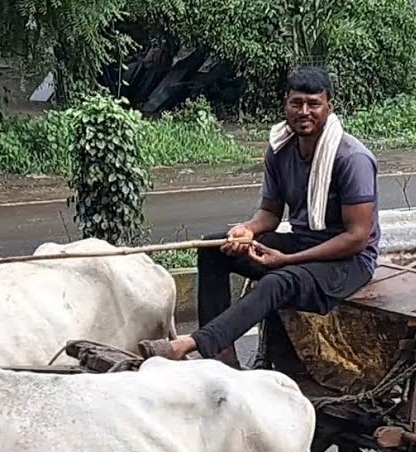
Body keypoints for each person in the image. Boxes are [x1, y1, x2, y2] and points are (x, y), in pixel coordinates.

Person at [138, 65, 382, 367]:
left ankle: (191, 343)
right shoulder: (280, 149)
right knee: (214, 247)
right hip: (304, 243)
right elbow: (270, 212)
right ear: (286, 103)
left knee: (276, 281)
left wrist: (286, 259)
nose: (304, 111)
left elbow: (357, 238)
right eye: (297, 103)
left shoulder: (351, 158)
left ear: (329, 107)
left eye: (313, 104)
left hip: (347, 261)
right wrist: (247, 231)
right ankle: (222, 360)